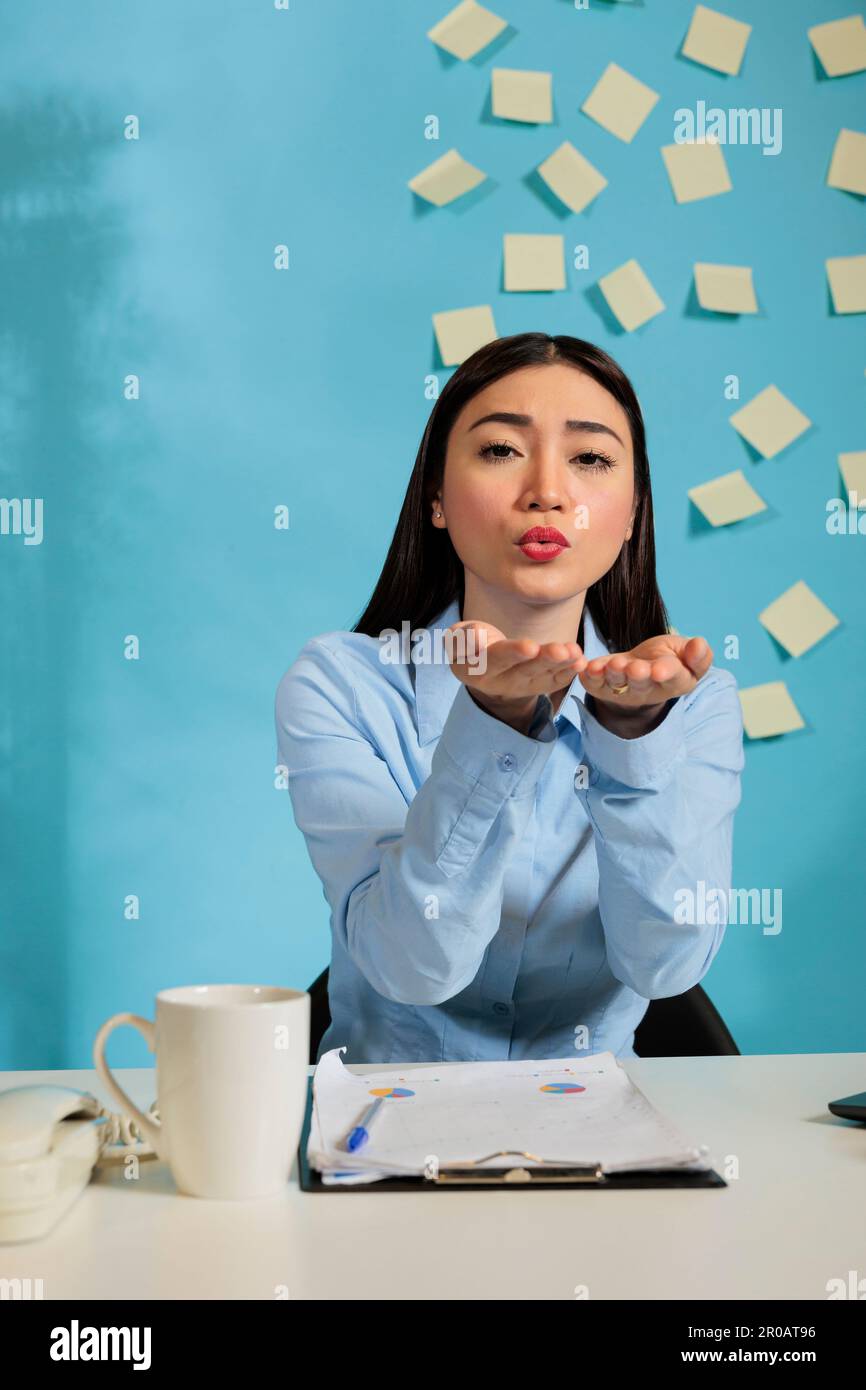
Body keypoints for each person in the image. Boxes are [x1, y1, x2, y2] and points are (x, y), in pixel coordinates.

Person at [275, 333, 744, 1064]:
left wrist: (632, 742)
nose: (547, 492)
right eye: (500, 450)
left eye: (590, 458)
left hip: (607, 1146)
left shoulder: (694, 702)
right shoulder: (340, 685)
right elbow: (413, 967)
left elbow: (666, 966)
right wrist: (490, 729)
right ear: (435, 496)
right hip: (385, 1135)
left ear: (629, 513)